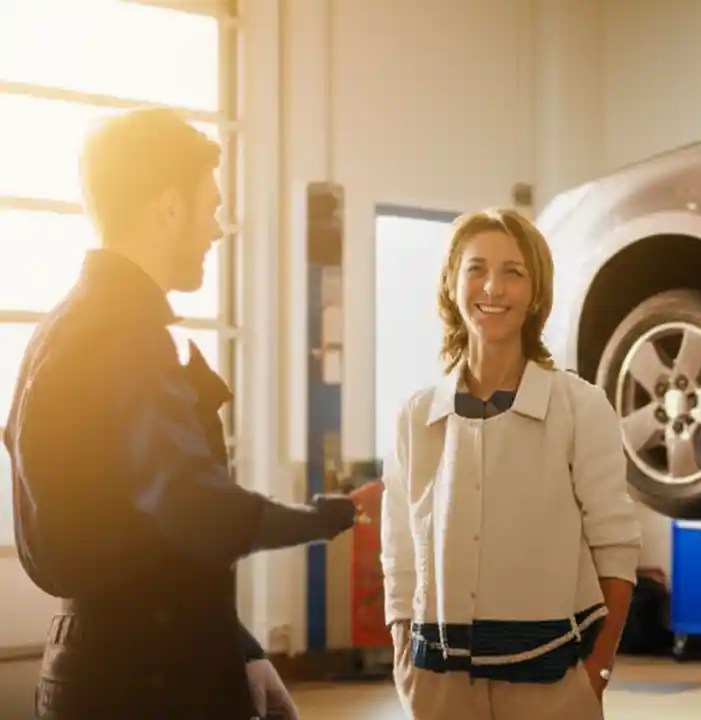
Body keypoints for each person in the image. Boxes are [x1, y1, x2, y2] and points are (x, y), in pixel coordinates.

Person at [3, 108, 358, 719]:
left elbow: (156, 542)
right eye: (210, 207)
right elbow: (195, 508)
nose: (216, 230)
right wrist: (328, 518)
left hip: (100, 665)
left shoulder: (63, 327)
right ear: (169, 207)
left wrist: (242, 648)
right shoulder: (127, 337)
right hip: (149, 682)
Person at [380, 208, 642, 720]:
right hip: (439, 688)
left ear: (536, 292)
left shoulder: (580, 407)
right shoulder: (416, 416)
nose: (493, 288)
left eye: (513, 272)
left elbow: (616, 547)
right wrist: (404, 659)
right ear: (451, 284)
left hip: (554, 685)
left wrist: (596, 674)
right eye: (476, 269)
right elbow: (399, 553)